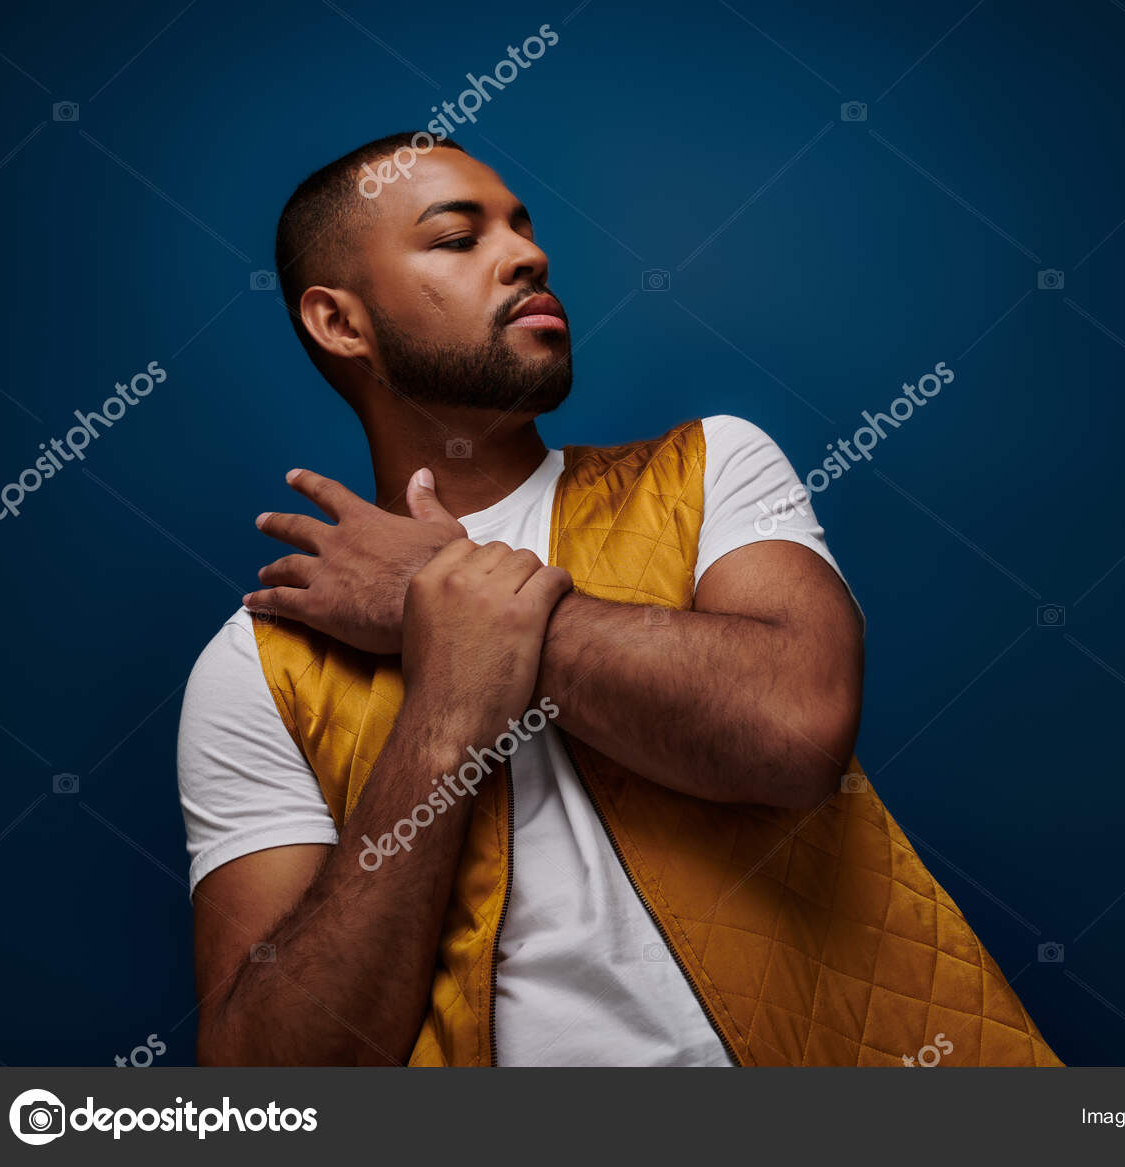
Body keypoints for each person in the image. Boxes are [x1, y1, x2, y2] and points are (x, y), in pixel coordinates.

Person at [177, 132, 1059, 1067]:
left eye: (522, 226)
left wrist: (443, 598)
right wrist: (442, 717)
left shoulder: (711, 467)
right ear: (340, 323)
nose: (528, 253)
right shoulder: (256, 668)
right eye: (456, 238)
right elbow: (270, 1082)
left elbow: (797, 730)